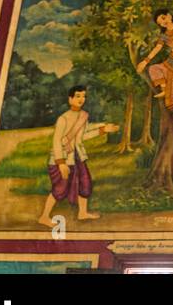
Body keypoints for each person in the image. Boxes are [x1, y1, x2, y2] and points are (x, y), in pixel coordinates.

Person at [38, 86, 117, 227]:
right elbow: (56, 141)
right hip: (62, 159)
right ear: (70, 99)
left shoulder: (83, 116)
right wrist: (61, 163)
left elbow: (82, 138)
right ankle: (44, 217)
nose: (82, 99)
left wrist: (103, 130)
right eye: (78, 96)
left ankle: (83, 213)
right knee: (60, 188)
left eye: (83, 96)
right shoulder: (63, 118)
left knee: (85, 184)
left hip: (78, 157)